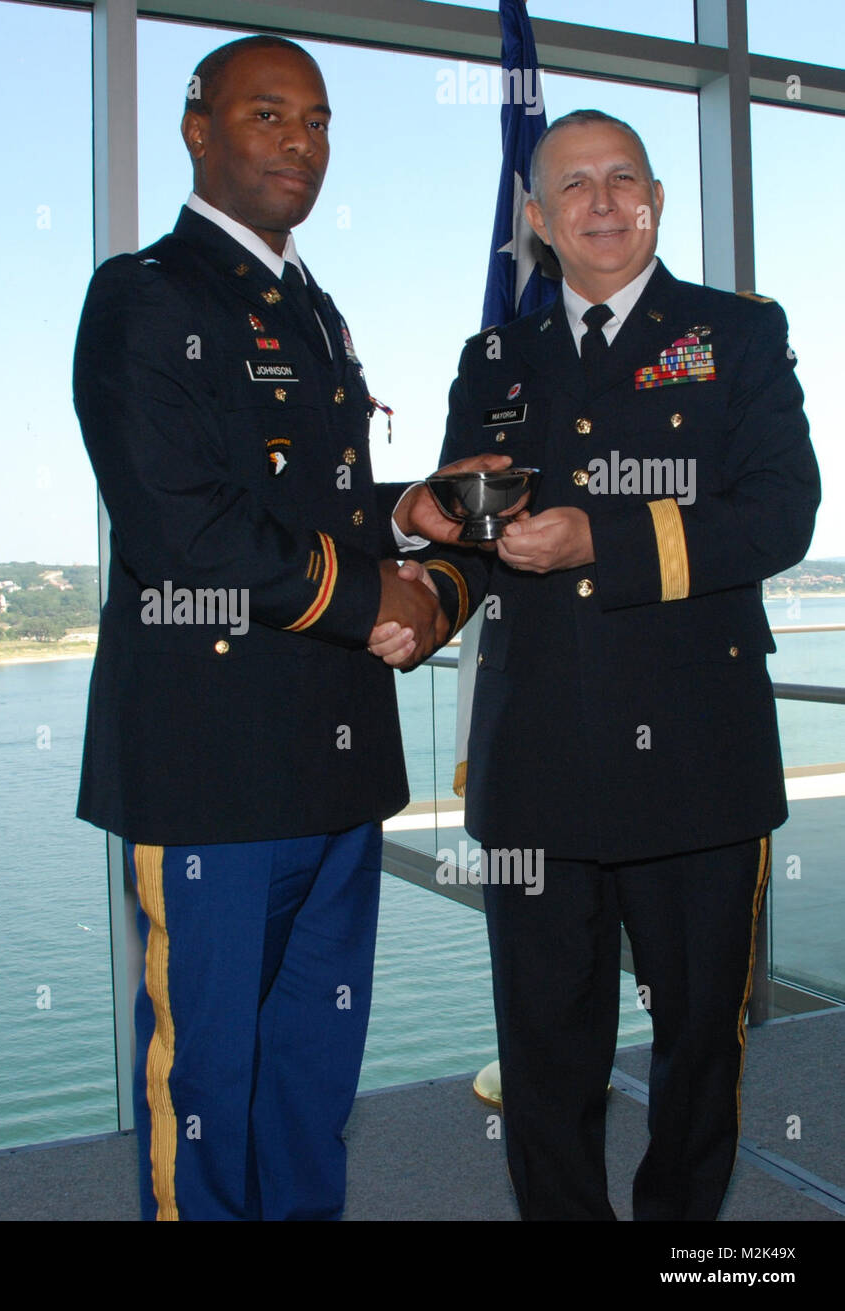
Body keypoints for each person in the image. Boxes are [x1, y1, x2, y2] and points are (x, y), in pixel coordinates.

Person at [72, 34, 488, 1221]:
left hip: (334, 755)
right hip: (211, 761)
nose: (300, 140)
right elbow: (181, 525)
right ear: (197, 129)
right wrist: (378, 600)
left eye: (316, 120)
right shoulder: (144, 294)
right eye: (268, 115)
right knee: (204, 1074)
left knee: (311, 1066)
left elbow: (312, 502)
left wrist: (405, 516)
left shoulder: (312, 309)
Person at [393, 109, 820, 1220]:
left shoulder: (736, 332)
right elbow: (478, 541)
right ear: (535, 219)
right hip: (534, 755)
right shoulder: (495, 358)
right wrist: (431, 589)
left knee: (695, 1047)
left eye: (621, 177)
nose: (599, 201)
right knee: (544, 1045)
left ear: (655, 199)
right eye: (572, 185)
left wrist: (604, 541)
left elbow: (780, 515)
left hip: (696, 753)